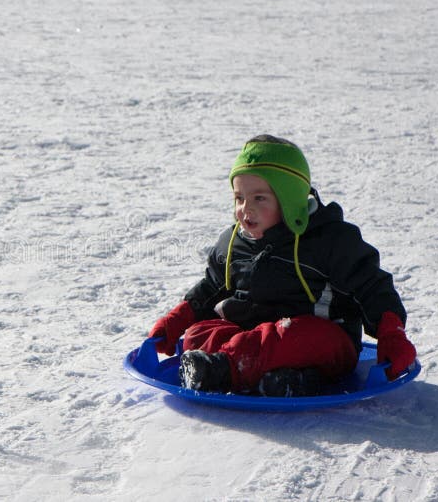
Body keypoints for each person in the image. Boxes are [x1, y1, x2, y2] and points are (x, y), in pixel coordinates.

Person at [148, 135, 417, 397]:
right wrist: (177, 320)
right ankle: (289, 381)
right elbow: (211, 288)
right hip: (250, 336)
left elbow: (371, 287)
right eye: (239, 198)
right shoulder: (232, 243)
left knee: (306, 336)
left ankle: (225, 369)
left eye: (259, 198)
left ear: (289, 199)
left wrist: (391, 334)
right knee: (198, 334)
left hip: (313, 340)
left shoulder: (329, 240)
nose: (245, 209)